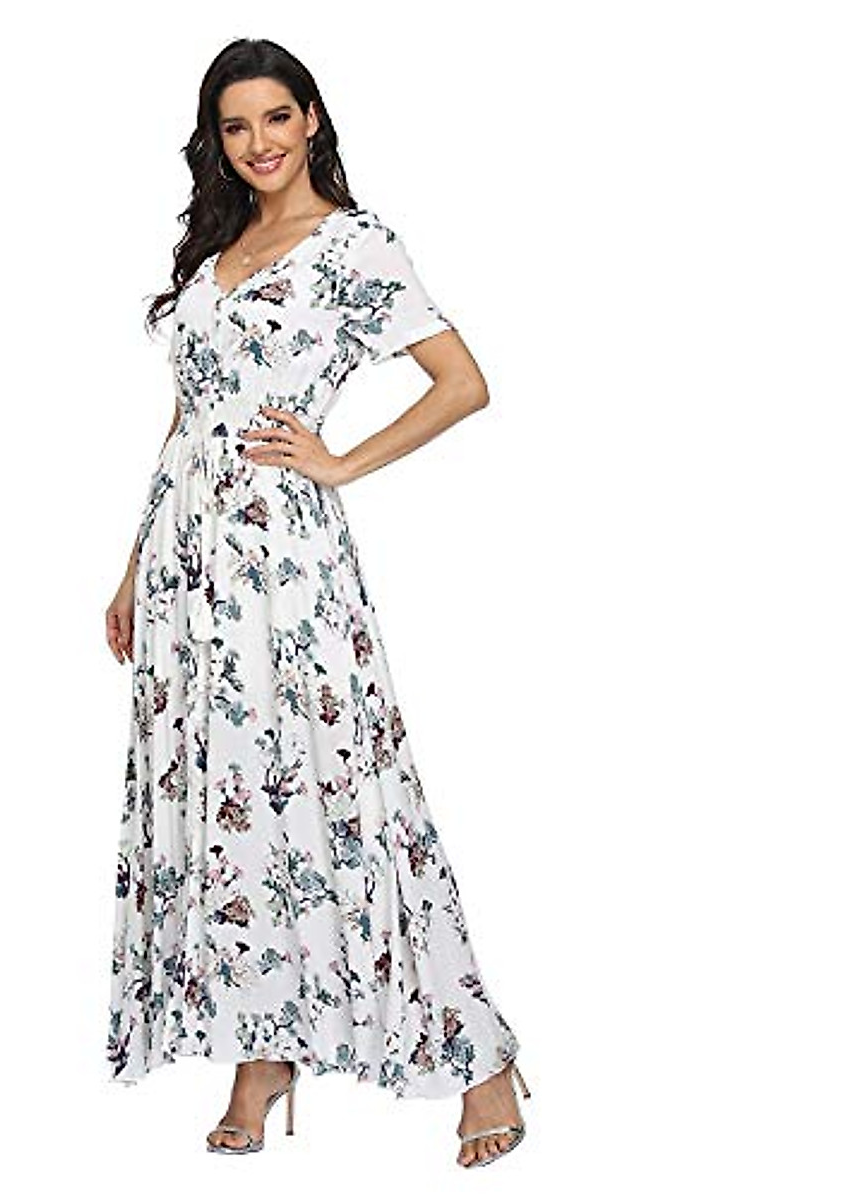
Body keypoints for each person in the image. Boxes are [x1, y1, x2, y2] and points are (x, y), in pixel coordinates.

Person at [103, 37, 531, 1169]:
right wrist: (136, 564)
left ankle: (479, 1059)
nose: (259, 143)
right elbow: (187, 419)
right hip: (187, 564)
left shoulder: (355, 245)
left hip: (284, 567)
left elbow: (463, 382)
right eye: (236, 125)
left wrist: (339, 463)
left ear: (312, 118)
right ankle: (263, 1052)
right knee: (227, 801)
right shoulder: (217, 251)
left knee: (346, 789)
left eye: (276, 118)